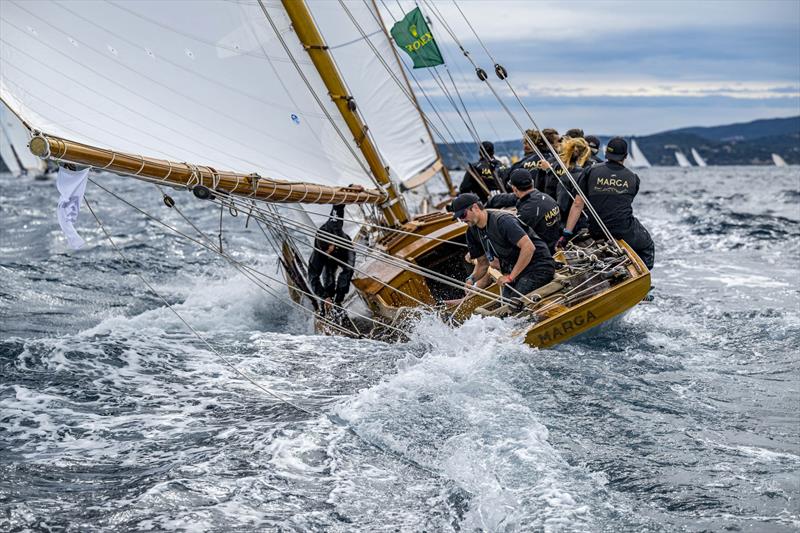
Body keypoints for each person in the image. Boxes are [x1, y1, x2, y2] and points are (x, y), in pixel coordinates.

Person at [559, 137, 655, 270]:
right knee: (647, 245)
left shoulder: (590, 171)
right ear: (626, 156)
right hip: (623, 229)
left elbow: (577, 204)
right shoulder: (633, 178)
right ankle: (641, 275)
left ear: (606, 154)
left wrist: (566, 234)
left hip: (596, 229)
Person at [452, 193, 555, 304]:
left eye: (463, 215)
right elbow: (483, 264)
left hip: (538, 266)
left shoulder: (503, 221)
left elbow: (529, 247)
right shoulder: (471, 232)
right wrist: (471, 279)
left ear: (475, 207)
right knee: (504, 304)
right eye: (459, 218)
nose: (462, 220)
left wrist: (510, 277)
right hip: (517, 272)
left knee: (512, 304)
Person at [486, 169, 562, 254]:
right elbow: (510, 198)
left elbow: (512, 237)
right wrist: (490, 202)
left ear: (514, 189)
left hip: (541, 253)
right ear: (532, 183)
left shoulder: (527, 211)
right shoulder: (546, 197)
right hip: (553, 243)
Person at [307, 205, 355, 313]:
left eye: (329, 249)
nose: (328, 252)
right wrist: (324, 297)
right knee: (328, 282)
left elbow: (338, 204)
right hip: (328, 260)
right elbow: (312, 277)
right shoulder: (318, 254)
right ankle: (328, 307)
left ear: (332, 242)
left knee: (347, 272)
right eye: (326, 252)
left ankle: (338, 301)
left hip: (345, 250)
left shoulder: (334, 224)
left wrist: (351, 187)